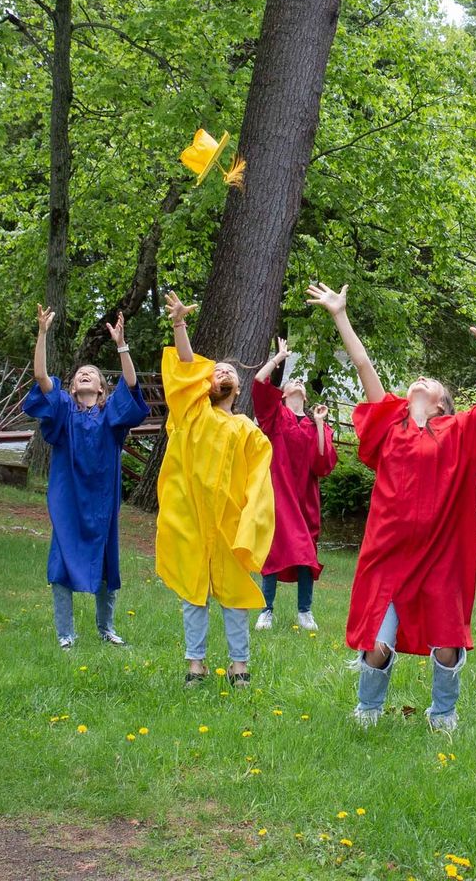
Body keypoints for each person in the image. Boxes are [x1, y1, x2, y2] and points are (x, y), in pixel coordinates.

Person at [307, 282, 476, 731]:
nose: (419, 381)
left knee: (447, 641)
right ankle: (368, 710)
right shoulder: (389, 425)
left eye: (429, 382)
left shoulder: (461, 431)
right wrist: (339, 314)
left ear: (441, 402)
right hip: (389, 552)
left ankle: (444, 714)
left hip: (441, 556)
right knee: (378, 639)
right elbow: (362, 364)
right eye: (417, 379)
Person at [155, 291, 276, 688]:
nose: (222, 373)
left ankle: (239, 667)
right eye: (216, 371)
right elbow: (186, 367)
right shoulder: (192, 416)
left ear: (238, 388)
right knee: (194, 592)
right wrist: (178, 325)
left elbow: (259, 484)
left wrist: (250, 524)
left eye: (229, 372)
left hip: (229, 522)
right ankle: (196, 665)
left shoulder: (247, 431)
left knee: (235, 594)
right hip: (191, 517)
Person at [24, 305, 149, 649]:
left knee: (107, 562)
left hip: (102, 503)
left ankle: (106, 628)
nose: (84, 375)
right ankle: (66, 635)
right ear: (73, 385)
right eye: (79, 373)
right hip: (68, 501)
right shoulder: (63, 409)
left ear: (101, 388)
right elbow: (41, 379)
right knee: (62, 561)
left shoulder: (111, 413)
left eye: (91, 373)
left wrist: (121, 345)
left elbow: (132, 384)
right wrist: (42, 333)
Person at [251, 337, 337, 632]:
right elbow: (260, 382)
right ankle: (266, 610)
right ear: (284, 394)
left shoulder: (318, 425)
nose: (299, 382)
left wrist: (319, 426)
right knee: (274, 551)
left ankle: (304, 611)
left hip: (306, 501)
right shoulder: (276, 417)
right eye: (294, 380)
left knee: (306, 555)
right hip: (279, 497)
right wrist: (279, 357)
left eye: (302, 381)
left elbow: (322, 465)